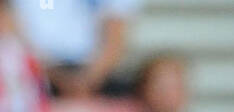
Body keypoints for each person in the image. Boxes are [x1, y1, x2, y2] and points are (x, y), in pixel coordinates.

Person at [11, 0, 139, 97]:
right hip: (33, 72)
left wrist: (88, 79)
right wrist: (52, 75)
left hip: (91, 73)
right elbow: (10, 31)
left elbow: (115, 39)